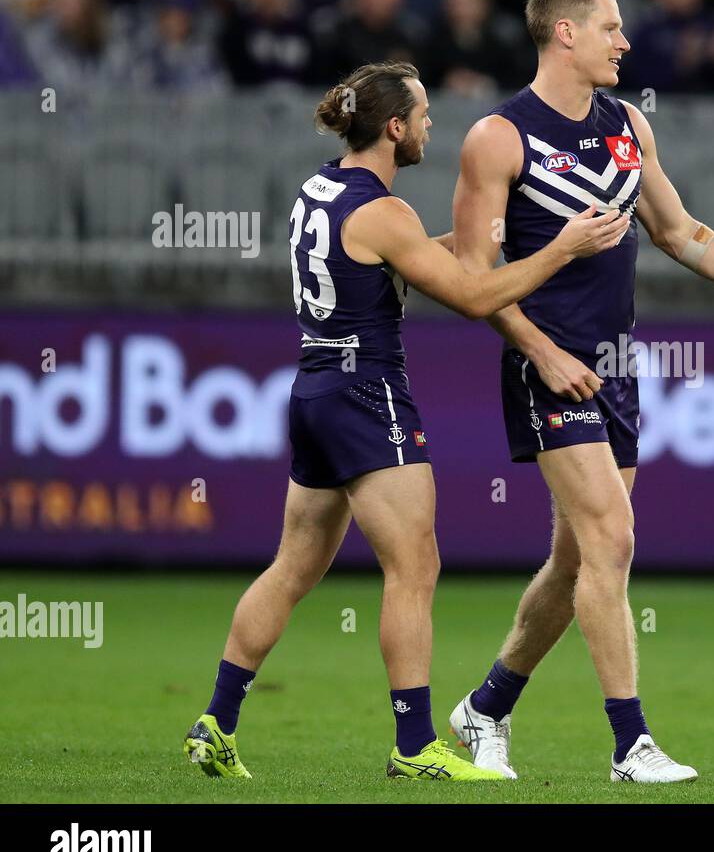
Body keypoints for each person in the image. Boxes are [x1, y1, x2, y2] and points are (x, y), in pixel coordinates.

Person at [182, 60, 628, 782]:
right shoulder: (386, 212)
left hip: (315, 388)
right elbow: (477, 298)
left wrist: (484, 235)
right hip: (369, 395)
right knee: (414, 566)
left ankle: (215, 721)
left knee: (293, 565)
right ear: (393, 127)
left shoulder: (320, 187)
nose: (429, 126)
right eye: (421, 115)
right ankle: (416, 742)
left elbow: (408, 260)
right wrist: (560, 247)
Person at [448, 0, 714, 783]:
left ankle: (485, 708)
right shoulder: (499, 138)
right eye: (611, 27)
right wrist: (539, 350)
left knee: (576, 561)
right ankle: (632, 744)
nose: (625, 40)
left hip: (616, 368)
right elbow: (471, 281)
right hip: (547, 366)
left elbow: (681, 231)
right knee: (613, 539)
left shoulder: (628, 124)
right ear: (565, 32)